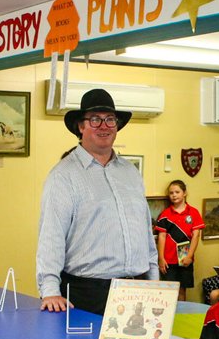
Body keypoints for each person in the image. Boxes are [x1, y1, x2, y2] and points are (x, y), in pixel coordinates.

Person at [37, 88, 158, 315]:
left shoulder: (131, 172)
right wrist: (50, 290)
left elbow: (145, 231)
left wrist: (154, 279)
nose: (104, 126)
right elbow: (51, 236)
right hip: (88, 294)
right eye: (95, 119)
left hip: (139, 290)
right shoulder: (63, 176)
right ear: (80, 127)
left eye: (110, 119)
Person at [155, 179, 204, 301]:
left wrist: (189, 256)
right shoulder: (165, 214)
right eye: (171, 193)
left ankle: (180, 316)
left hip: (184, 256)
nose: (174, 195)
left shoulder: (193, 212)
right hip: (168, 260)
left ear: (184, 193)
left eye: (177, 192)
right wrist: (161, 258)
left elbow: (196, 236)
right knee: (169, 291)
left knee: (182, 290)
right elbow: (162, 237)